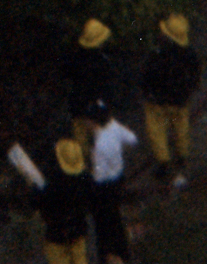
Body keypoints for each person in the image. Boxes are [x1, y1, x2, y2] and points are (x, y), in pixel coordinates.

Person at [141, 14, 201, 189]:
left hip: (157, 102)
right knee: (181, 128)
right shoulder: (189, 54)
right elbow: (195, 74)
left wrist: (147, 92)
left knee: (157, 131)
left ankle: (163, 162)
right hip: (180, 100)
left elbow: (146, 75)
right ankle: (182, 157)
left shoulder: (157, 55)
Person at [86, 99, 137, 264]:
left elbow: (98, 176)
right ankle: (124, 254)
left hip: (104, 188)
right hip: (118, 179)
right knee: (116, 221)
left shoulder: (100, 145)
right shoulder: (114, 126)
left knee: (104, 227)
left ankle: (108, 257)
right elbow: (132, 139)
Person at [62, 19, 117, 153]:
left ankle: (82, 165)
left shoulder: (75, 58)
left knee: (80, 139)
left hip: (77, 106)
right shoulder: (102, 61)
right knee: (101, 138)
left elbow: (67, 75)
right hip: (96, 108)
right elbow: (107, 86)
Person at [35, 139, 94, 264]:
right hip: (79, 229)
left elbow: (36, 202)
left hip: (56, 234)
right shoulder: (85, 178)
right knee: (80, 259)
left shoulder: (50, 181)